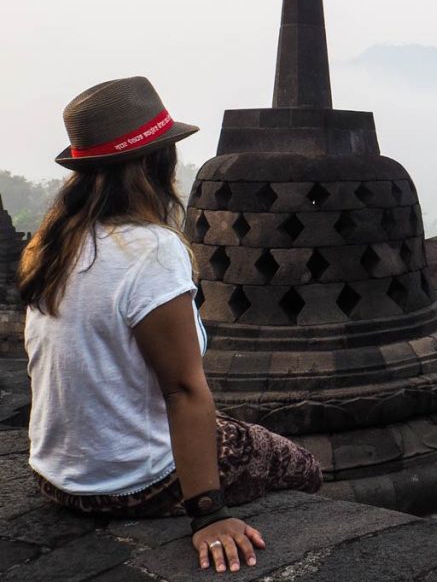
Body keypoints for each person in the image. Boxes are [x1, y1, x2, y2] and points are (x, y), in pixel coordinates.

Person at [18, 77, 323, 573]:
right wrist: (208, 512)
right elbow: (182, 388)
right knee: (296, 462)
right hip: (130, 485)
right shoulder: (149, 248)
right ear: (155, 163)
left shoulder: (55, 245)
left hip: (55, 476)